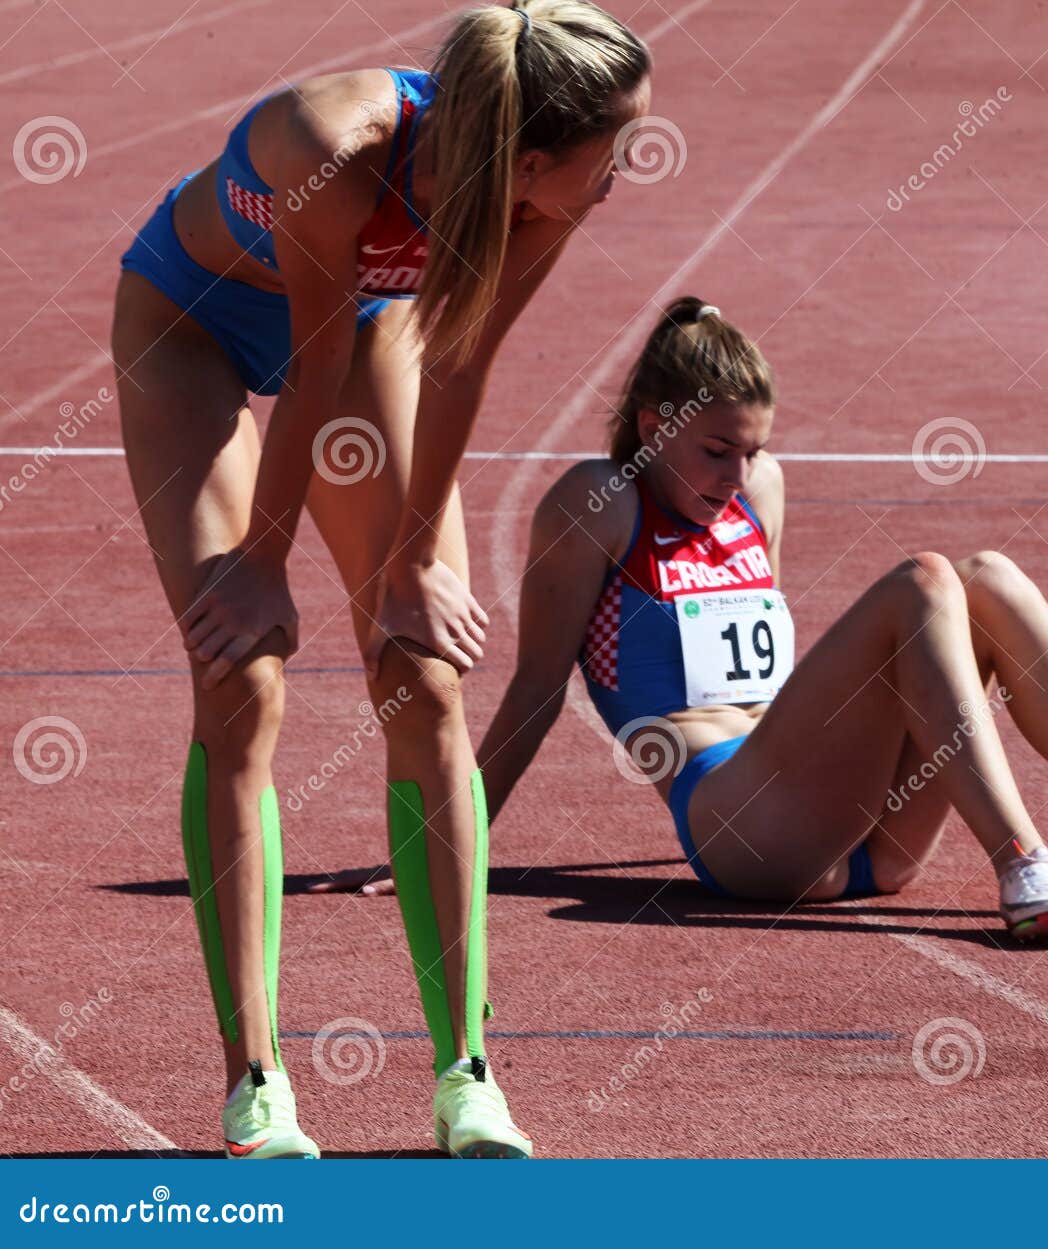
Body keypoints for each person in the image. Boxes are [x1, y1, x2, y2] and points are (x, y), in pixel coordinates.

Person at [322, 298, 1048, 943]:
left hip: (870, 840)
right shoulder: (596, 503)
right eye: (716, 450)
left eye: (751, 452)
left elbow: (798, 683)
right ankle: (1021, 860)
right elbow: (538, 687)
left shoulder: (764, 493)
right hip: (741, 829)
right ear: (651, 426)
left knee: (987, 576)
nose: (737, 476)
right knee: (926, 578)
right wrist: (442, 836)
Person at [110, 1, 651, 1159]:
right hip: (194, 328)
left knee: (422, 676)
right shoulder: (334, 148)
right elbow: (306, 370)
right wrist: (261, 565)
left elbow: (455, 361)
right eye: (619, 148)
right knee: (241, 675)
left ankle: (467, 1074)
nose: (627, 172)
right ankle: (256, 1080)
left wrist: (408, 564)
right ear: (538, 154)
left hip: (358, 336)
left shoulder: (541, 194)